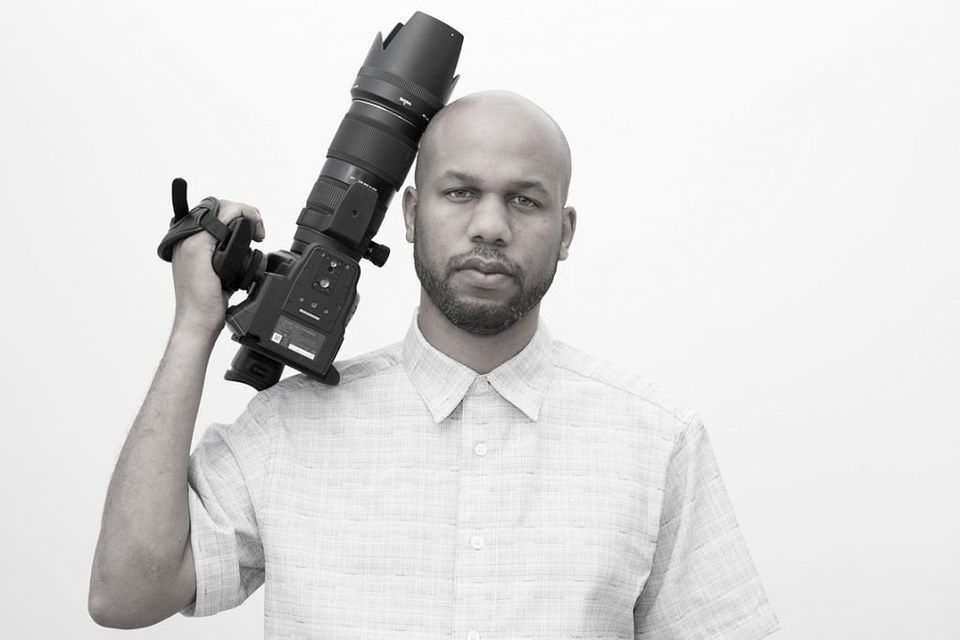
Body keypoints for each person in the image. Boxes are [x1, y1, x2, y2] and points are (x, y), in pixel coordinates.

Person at [89, 90, 779, 638]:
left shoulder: (656, 443)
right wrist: (193, 327)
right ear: (410, 213)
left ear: (563, 232)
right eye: (460, 192)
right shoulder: (286, 430)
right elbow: (125, 594)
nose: (490, 225)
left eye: (524, 199)